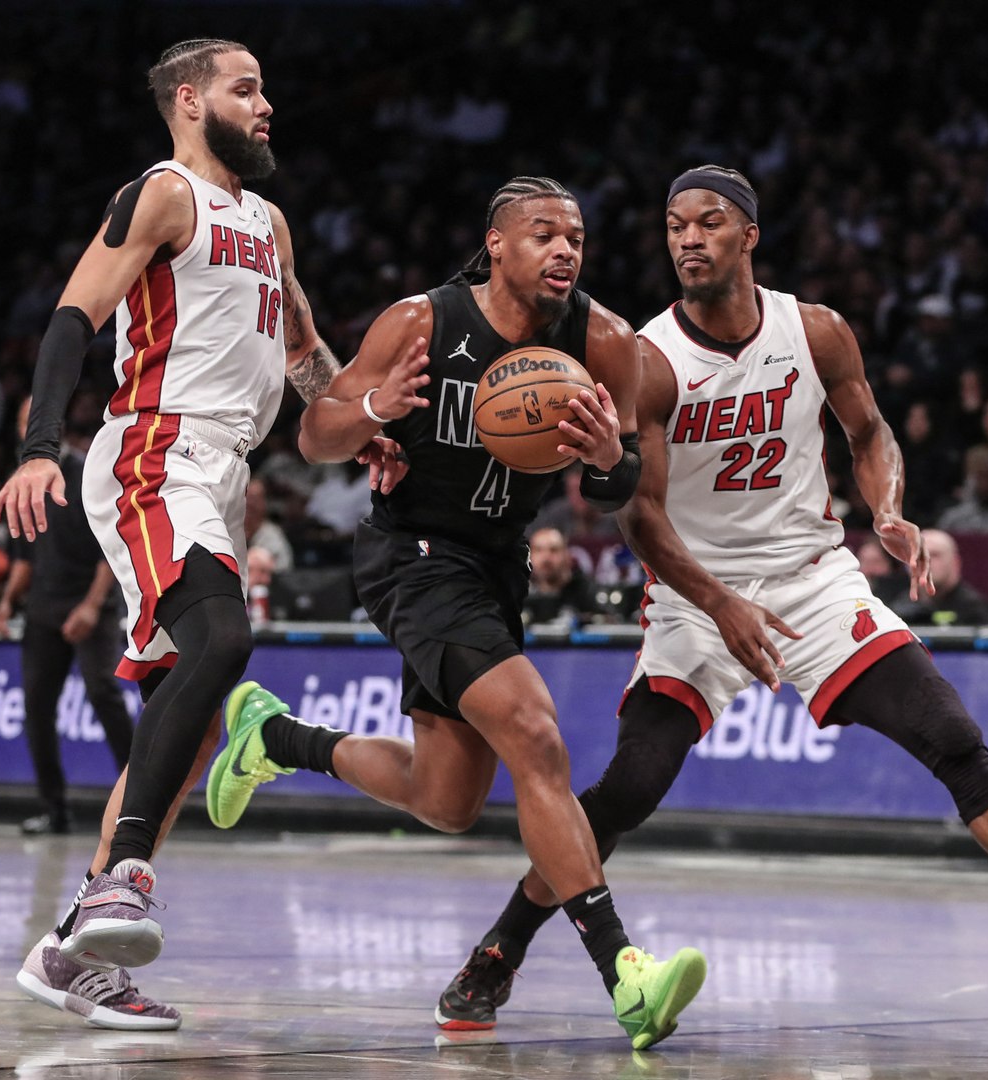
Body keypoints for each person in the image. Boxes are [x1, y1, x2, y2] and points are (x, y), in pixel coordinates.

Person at [426, 167, 988, 1033]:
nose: (689, 238)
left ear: (749, 236)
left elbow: (870, 433)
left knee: (954, 738)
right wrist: (720, 601)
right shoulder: (647, 360)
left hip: (813, 578)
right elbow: (637, 515)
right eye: (675, 226)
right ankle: (499, 950)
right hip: (696, 592)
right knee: (628, 790)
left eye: (710, 223)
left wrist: (887, 509)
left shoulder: (817, 331)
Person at [206, 175, 707, 1050]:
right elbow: (315, 436)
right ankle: (627, 975)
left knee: (447, 801)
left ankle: (277, 738)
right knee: (537, 735)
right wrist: (372, 412)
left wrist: (603, 459)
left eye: (576, 239)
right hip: (412, 554)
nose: (564, 251)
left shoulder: (606, 343)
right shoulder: (421, 323)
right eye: (544, 234)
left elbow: (623, 484)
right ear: (499, 244)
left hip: (496, 566)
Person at [0, 38, 405, 1031]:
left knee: (199, 705)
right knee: (222, 641)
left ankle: (68, 957)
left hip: (226, 471)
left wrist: (367, 428)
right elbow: (72, 315)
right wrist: (40, 445)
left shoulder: (269, 223)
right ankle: (118, 883)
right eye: (245, 89)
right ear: (189, 99)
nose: (267, 107)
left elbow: (309, 362)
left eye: (266, 90)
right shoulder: (162, 194)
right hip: (152, 449)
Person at [0, 399, 133, 837]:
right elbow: (26, 556)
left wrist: (91, 606)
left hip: (90, 603)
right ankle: (54, 810)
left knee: (103, 693)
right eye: (22, 420)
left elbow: (110, 550)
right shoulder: (22, 481)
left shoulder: (89, 472)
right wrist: (4, 602)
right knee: (37, 708)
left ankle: (140, 805)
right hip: (43, 609)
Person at [892, 529, 988, 627]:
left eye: (935, 555)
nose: (926, 562)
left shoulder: (975, 610)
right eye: (919, 556)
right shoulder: (897, 610)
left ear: (955, 562)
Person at [524, 526, 601, 625]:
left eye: (554, 550)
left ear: (567, 556)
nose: (546, 558)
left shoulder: (587, 593)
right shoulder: (522, 595)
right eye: (538, 550)